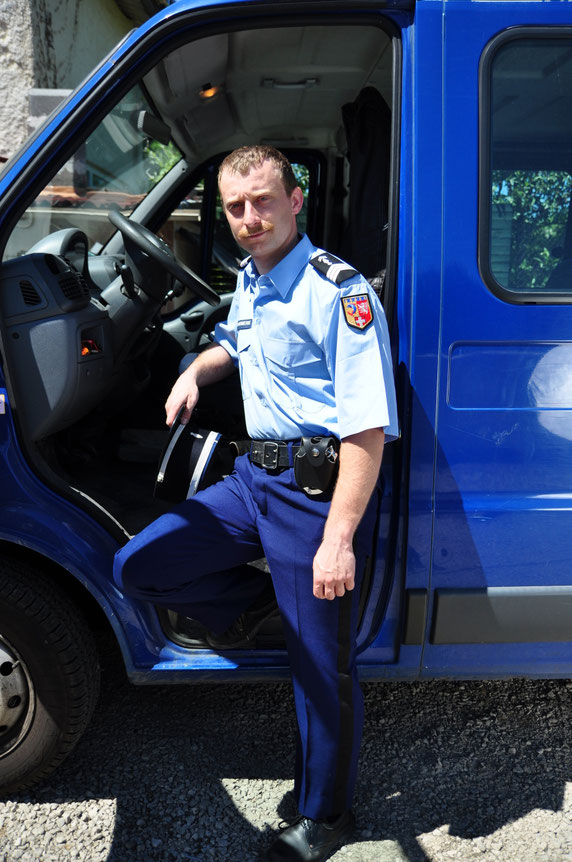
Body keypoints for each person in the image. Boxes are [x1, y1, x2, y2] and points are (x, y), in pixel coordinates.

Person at [113, 145, 398, 862]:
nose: (248, 218)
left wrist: (338, 539)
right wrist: (193, 374)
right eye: (235, 207)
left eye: (263, 200)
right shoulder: (252, 278)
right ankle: (252, 605)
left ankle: (326, 815)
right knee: (140, 565)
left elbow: (367, 429)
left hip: (313, 490)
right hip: (252, 479)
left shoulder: (338, 292)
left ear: (295, 199)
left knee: (319, 669)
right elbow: (233, 345)